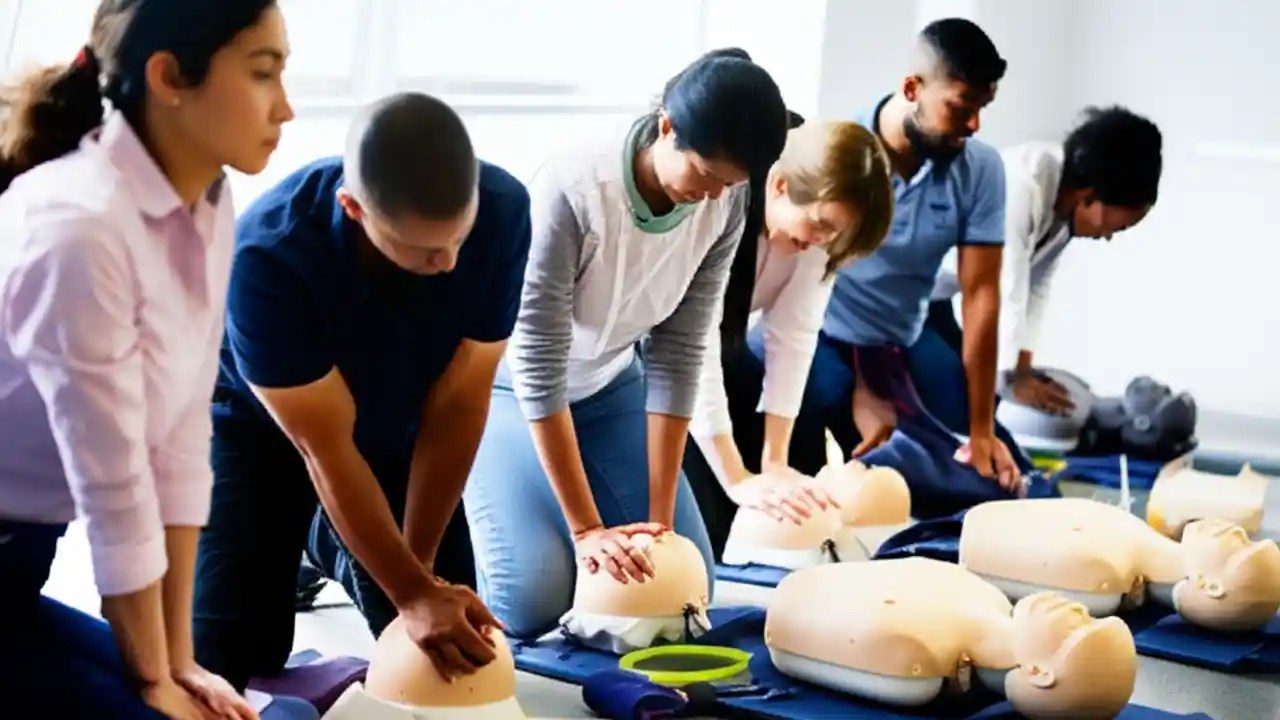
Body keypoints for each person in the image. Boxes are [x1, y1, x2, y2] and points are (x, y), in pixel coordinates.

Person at [0, 1, 293, 718]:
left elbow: (182, 442)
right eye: (263, 74)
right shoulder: (78, 227)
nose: (285, 108)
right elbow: (116, 485)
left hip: (21, 550)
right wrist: (153, 680)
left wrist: (181, 662)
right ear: (169, 77)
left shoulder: (207, 200)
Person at [192, 93, 529, 689]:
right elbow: (325, 447)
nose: (450, 262)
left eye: (459, 236)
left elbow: (459, 403)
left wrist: (420, 576)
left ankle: (330, 539)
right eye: (425, 249)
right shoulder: (267, 256)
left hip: (402, 414)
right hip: (260, 432)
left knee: (456, 653)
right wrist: (405, 589)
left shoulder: (503, 211)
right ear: (354, 209)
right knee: (228, 662)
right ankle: (311, 535)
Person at [462, 50, 788, 637]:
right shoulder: (574, 187)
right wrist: (588, 530)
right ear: (668, 126)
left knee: (685, 585)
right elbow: (537, 363)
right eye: (707, 174)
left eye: (731, 183)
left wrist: (659, 529)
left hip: (609, 385)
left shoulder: (727, 199)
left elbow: (680, 348)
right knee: (531, 600)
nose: (715, 195)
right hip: (508, 391)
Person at [777, 18, 1022, 490]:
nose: (973, 125)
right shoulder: (844, 154)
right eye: (961, 108)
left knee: (999, 478)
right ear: (913, 88)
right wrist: (865, 386)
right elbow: (804, 277)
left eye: (982, 108)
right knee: (877, 450)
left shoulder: (981, 167)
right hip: (825, 333)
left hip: (904, 337)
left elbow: (980, 294)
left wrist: (982, 430)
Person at [682, 120, 895, 560]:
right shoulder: (721, 204)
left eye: (835, 234)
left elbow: (793, 340)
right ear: (778, 186)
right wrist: (738, 478)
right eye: (819, 225)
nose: (820, 241)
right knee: (712, 523)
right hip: (659, 358)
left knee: (798, 473)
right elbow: (691, 350)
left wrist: (774, 461)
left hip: (729, 348)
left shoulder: (818, 238)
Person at [918, 106, 1163, 424]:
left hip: (933, 300)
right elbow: (1004, 290)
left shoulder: (1064, 207)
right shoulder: (1019, 187)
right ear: (1090, 195)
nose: (1107, 237)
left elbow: (1036, 289)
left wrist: (1023, 369)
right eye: (1115, 228)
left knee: (981, 396)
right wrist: (1011, 379)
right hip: (893, 302)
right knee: (956, 397)